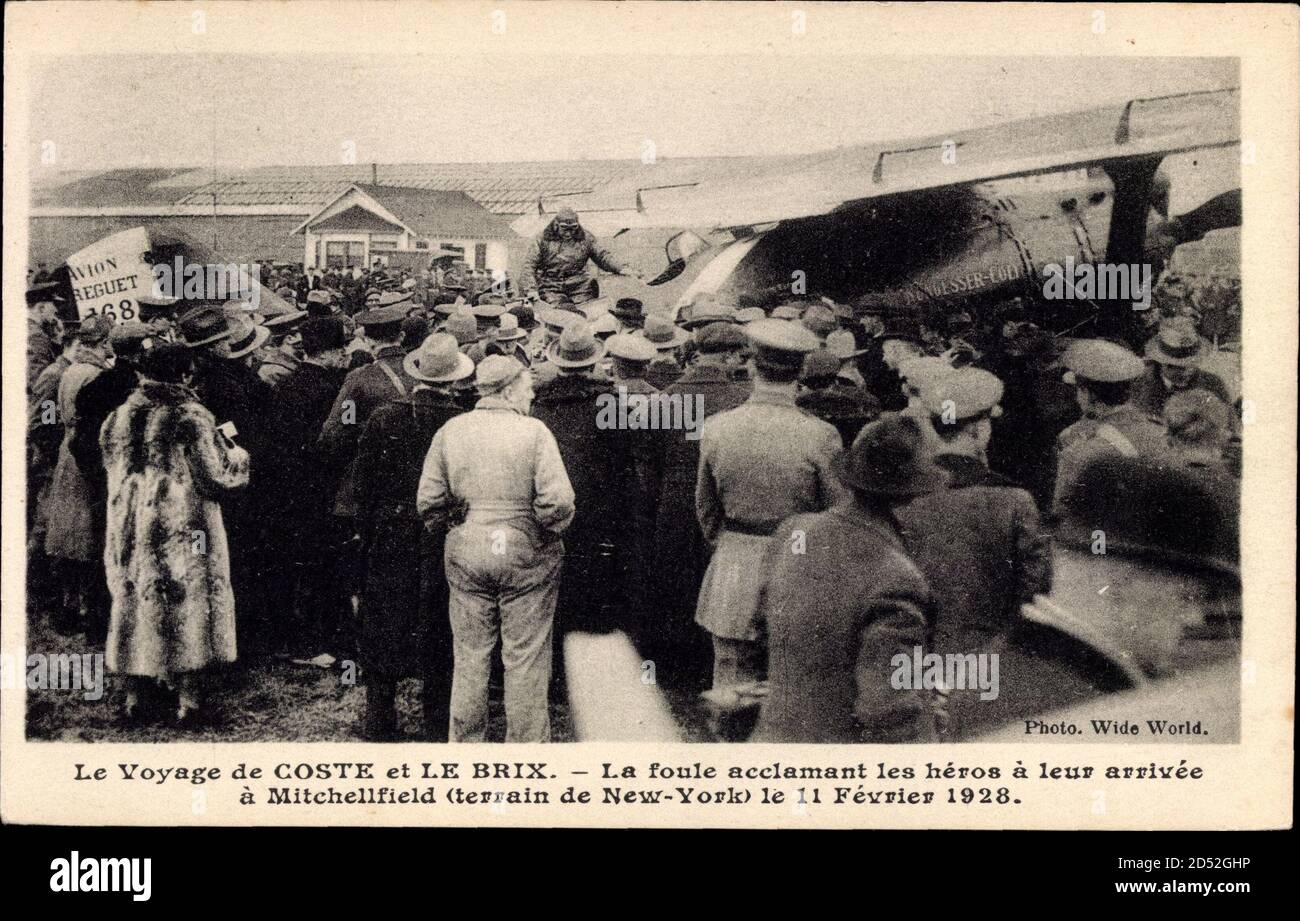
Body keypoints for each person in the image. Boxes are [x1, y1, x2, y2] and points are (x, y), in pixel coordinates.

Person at [960, 452, 1241, 739]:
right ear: (1122, 585)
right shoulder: (1107, 716)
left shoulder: (994, 673)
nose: (1194, 617)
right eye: (1187, 597)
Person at [752, 414, 946, 743]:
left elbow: (761, 628)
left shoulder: (793, 532)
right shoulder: (896, 578)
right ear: (911, 498)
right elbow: (889, 710)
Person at [417, 355, 575, 742]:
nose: (532, 393)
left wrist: (459, 526)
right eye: (527, 387)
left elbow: (429, 501)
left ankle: (466, 745)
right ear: (508, 390)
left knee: (469, 655)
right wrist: (542, 530)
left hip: (468, 548)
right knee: (525, 656)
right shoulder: (534, 432)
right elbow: (558, 502)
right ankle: (526, 747)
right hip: (524, 552)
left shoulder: (451, 430)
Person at [694, 319, 849, 691]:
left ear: (751, 366)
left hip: (735, 564)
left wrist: (731, 543)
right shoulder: (820, 435)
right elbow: (838, 513)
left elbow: (706, 508)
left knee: (731, 684)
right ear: (801, 371)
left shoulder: (717, 428)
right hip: (799, 565)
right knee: (792, 688)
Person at [101, 344, 250, 726]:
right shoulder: (191, 416)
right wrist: (239, 458)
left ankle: (135, 696)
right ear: (184, 374)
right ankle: (189, 701)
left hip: (132, 523)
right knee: (189, 596)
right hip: (183, 523)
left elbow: (109, 465)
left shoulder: (119, 416)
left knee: (136, 594)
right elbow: (215, 476)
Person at [893, 365, 1051, 677]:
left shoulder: (899, 496)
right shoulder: (1014, 500)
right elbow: (1035, 589)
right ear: (979, 430)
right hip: (987, 662)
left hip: (910, 658)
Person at [354, 333, 472, 740]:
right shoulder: (461, 422)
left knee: (384, 615)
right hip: (443, 529)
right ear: (454, 379)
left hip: (391, 529)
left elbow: (363, 486)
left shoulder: (384, 418)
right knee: (440, 620)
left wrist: (368, 532)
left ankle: (379, 715)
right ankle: (437, 720)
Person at [646, 321, 751, 686]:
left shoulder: (665, 399)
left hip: (673, 500)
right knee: (719, 582)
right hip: (724, 503)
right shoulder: (741, 399)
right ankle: (714, 661)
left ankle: (678, 664)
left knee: (677, 578)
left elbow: (649, 463)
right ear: (731, 356)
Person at [261, 317, 352, 662]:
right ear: (327, 353)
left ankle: (299, 639)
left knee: (299, 565)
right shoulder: (336, 389)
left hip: (290, 488)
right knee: (326, 566)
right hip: (325, 487)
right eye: (340, 349)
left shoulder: (286, 384)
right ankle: (326, 639)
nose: (344, 355)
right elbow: (340, 438)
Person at [531, 321, 628, 635]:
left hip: (548, 511)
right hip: (596, 513)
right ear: (592, 362)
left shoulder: (538, 404)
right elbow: (622, 463)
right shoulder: (609, 403)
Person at [44, 315, 115, 635]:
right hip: (86, 457)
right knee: (87, 535)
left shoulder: (71, 370)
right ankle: (86, 611)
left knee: (70, 535)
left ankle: (69, 607)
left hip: (69, 453)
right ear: (103, 343)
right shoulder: (94, 375)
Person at [1052, 338, 1167, 514]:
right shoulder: (1161, 431)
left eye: (1078, 390)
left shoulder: (1078, 451)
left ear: (1087, 393)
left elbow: (1063, 513)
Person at [520, 207, 642, 306]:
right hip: (551, 285)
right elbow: (529, 265)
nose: (569, 233)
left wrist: (621, 268)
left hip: (579, 284)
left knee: (589, 310)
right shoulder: (542, 239)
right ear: (556, 225)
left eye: (573, 228)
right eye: (564, 228)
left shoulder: (585, 238)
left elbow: (602, 256)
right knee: (559, 314)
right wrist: (531, 290)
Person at [1132, 315, 1231, 417]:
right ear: (1161, 362)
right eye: (1176, 367)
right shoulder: (1141, 386)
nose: (1186, 372)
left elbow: (1229, 421)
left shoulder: (1214, 386)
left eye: (1191, 364)